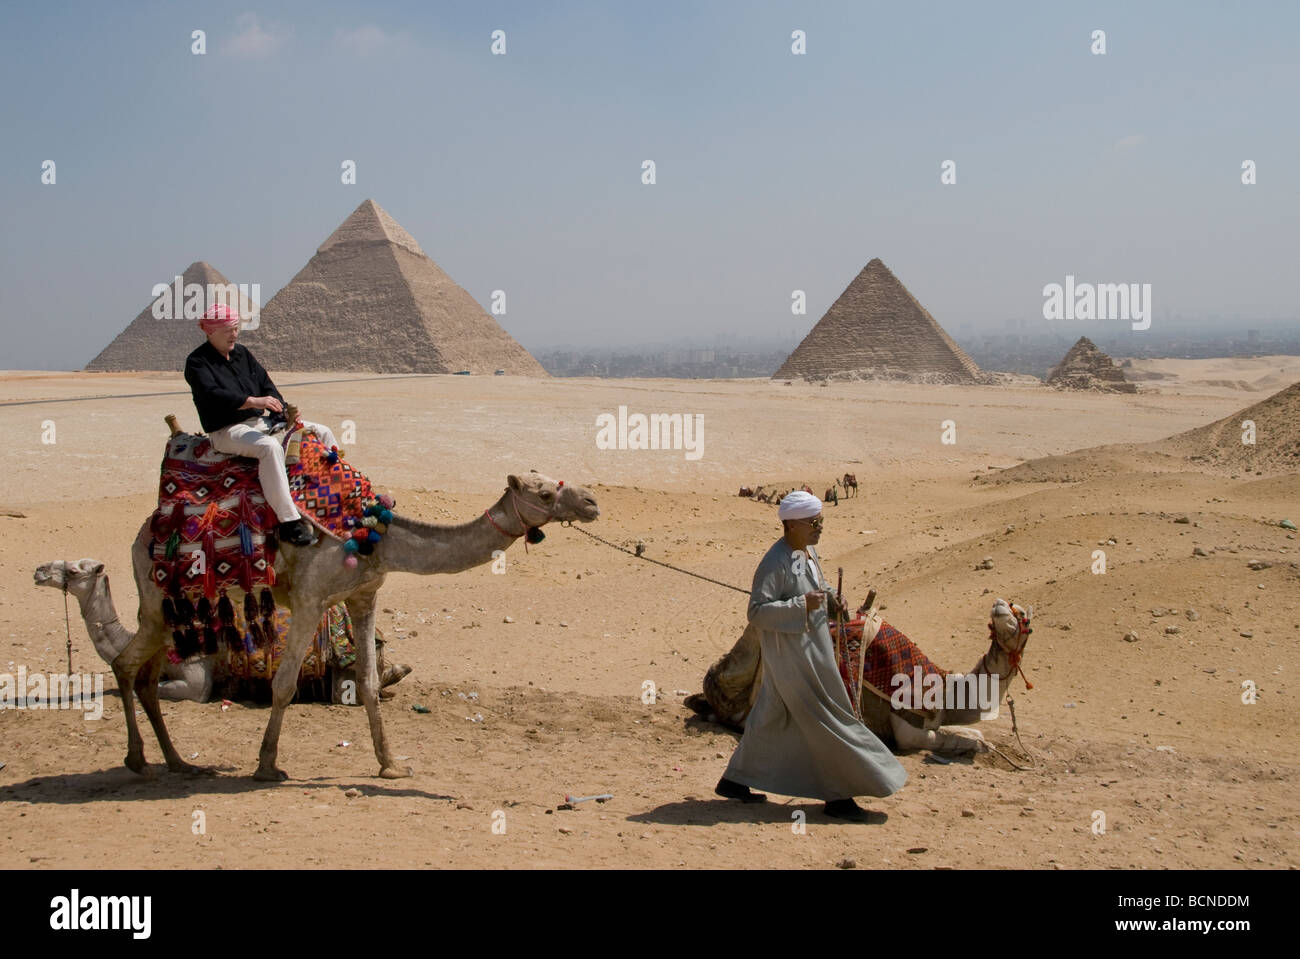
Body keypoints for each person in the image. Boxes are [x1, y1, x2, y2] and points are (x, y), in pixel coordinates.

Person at [715, 490, 907, 821]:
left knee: (769, 716)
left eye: (821, 520)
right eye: (813, 521)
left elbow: (820, 588)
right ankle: (838, 796)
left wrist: (833, 600)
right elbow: (757, 612)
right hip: (794, 658)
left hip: (812, 650)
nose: (820, 527)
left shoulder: (808, 552)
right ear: (791, 524)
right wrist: (803, 605)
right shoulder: (775, 562)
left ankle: (735, 780)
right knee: (826, 719)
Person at [183, 303, 337, 547]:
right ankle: (289, 522)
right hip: (227, 429)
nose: (234, 334)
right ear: (210, 332)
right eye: (227, 330)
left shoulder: (242, 353)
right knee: (269, 448)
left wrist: (284, 411)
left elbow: (266, 384)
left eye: (235, 328)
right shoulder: (197, 362)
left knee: (322, 431)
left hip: (261, 422)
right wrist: (251, 401)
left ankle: (331, 493)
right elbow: (212, 395)